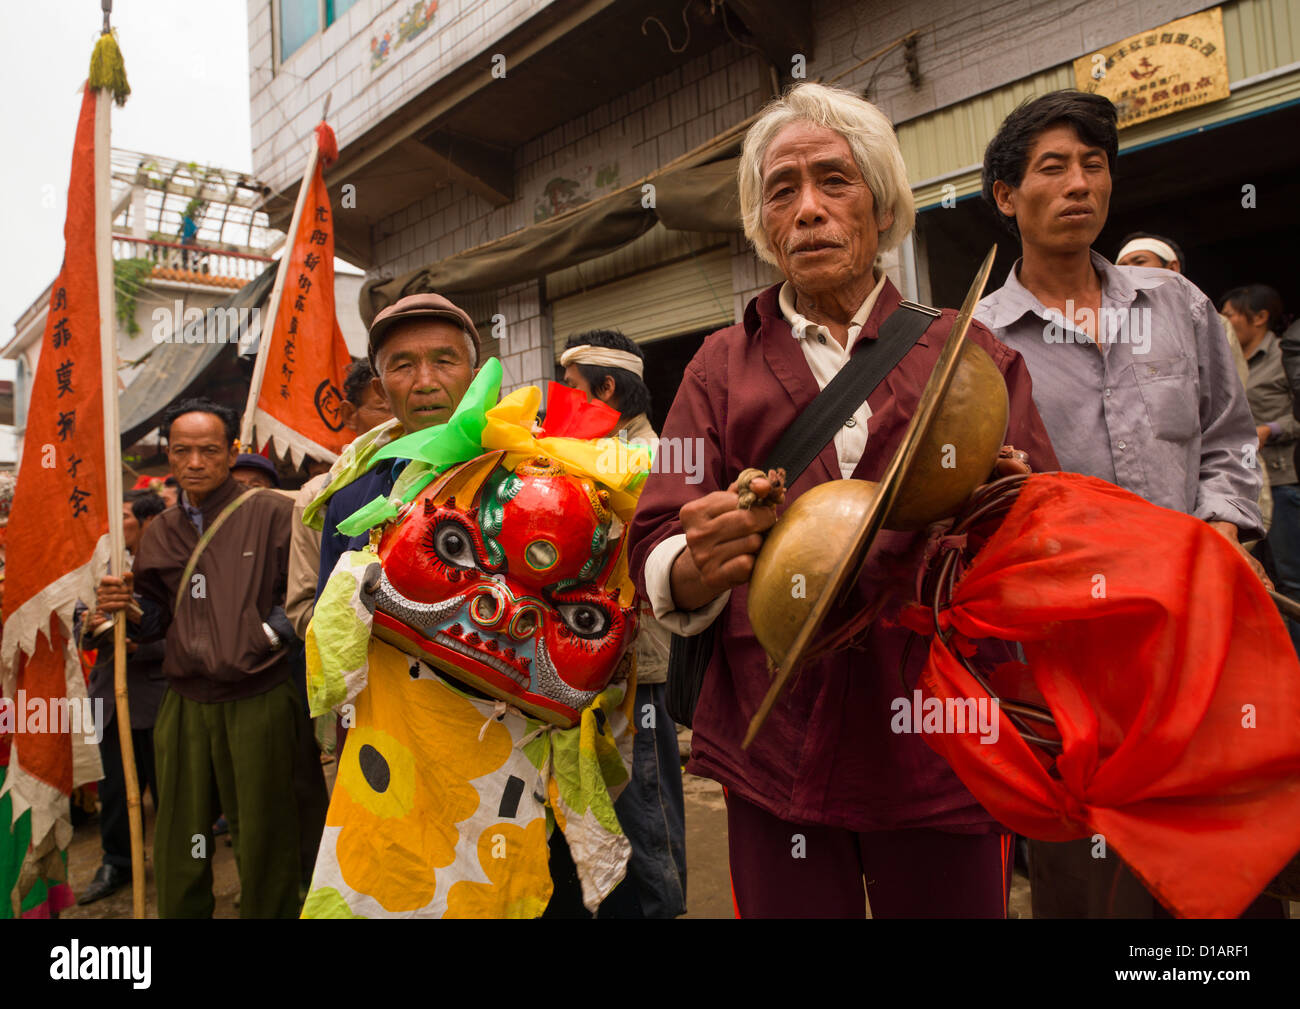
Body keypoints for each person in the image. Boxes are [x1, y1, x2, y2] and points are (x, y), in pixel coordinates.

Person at [627, 82, 1058, 919]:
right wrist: (691, 563)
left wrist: (1008, 510)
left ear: (881, 203)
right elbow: (653, 530)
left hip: (936, 735)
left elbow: (1042, 528)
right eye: (781, 190)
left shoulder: (971, 353)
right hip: (774, 729)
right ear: (762, 221)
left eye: (835, 181)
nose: (809, 209)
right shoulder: (717, 366)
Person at [975, 90, 1273, 918]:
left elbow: (1230, 438)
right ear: (1006, 196)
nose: (1080, 183)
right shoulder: (977, 346)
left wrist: (1222, 525)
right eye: (1052, 168)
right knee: (1096, 888)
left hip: (1203, 644)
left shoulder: (1178, 307)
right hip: (1074, 671)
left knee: (1231, 876)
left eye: (1094, 165)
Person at [95, 397, 315, 918]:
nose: (195, 462)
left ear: (231, 452)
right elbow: (156, 617)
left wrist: (264, 636)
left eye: (209, 451)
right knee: (181, 837)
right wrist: (125, 607)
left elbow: (311, 593)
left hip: (257, 696)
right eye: (182, 451)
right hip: (185, 701)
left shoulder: (273, 513)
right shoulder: (162, 531)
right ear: (169, 456)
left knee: (265, 836)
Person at [560, 330, 686, 919]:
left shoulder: (641, 462)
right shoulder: (599, 456)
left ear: (607, 388)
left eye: (573, 388)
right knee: (613, 807)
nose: (563, 401)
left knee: (645, 810)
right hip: (598, 666)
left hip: (636, 670)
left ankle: (662, 910)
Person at [1115, 234, 1271, 528]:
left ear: (1173, 267)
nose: (1129, 272)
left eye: (1139, 262)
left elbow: (1228, 412)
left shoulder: (1203, 317)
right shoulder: (1118, 322)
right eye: (1120, 266)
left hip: (1204, 490)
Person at [77, 491, 168, 905]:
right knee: (113, 788)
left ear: (147, 520)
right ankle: (116, 860)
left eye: (126, 515)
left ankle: (178, 860)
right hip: (110, 698)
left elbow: (190, 629)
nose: (117, 522)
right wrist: (91, 624)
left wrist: (142, 649)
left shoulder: (165, 565)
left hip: (158, 693)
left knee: (169, 788)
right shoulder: (97, 570)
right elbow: (78, 627)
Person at [285, 360, 393, 640]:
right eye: (385, 408)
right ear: (348, 414)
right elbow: (305, 607)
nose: (399, 420)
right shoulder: (320, 497)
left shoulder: (464, 473)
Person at [1221, 285, 1299, 650]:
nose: (1228, 319)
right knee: (1259, 577)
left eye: (1233, 312)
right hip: (1242, 481)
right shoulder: (1228, 354)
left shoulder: (1284, 355)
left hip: (1282, 478)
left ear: (1260, 316)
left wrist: (1272, 429)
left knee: (1289, 579)